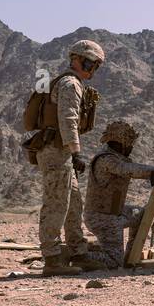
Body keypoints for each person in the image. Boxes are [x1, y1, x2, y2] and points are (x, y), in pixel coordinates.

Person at [34, 39, 104, 275]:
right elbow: (68, 119)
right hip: (57, 151)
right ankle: (52, 259)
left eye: (96, 65)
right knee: (57, 202)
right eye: (90, 62)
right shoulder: (70, 84)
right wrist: (75, 152)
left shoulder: (71, 83)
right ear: (77, 59)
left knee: (73, 203)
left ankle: (77, 252)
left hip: (61, 151)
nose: (92, 68)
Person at [82, 121, 154, 268]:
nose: (131, 148)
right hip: (101, 217)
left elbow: (132, 167)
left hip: (115, 213)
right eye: (129, 143)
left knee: (140, 214)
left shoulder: (115, 158)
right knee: (114, 261)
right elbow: (130, 170)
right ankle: (77, 255)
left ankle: (130, 257)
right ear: (121, 143)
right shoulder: (105, 160)